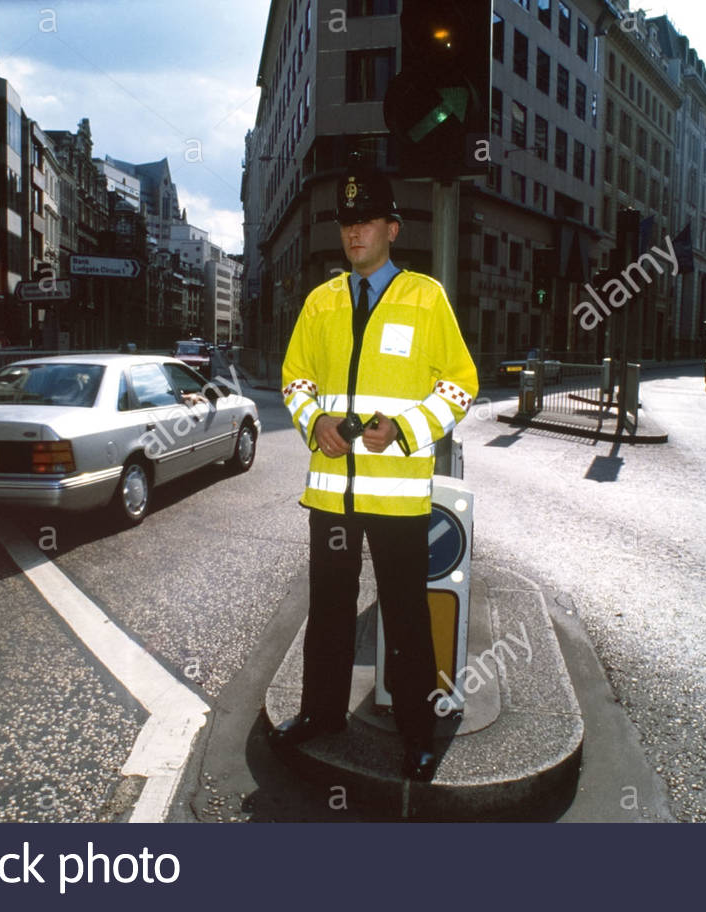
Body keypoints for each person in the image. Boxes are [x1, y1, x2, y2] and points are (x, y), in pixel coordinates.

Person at [272, 164, 478, 781]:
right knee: (330, 609)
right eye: (346, 223)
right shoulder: (322, 301)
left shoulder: (425, 297)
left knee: (407, 616)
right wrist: (315, 422)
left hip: (396, 499)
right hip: (332, 495)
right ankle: (321, 713)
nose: (354, 233)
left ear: (392, 227)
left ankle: (418, 733)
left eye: (366, 222)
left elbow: (460, 386)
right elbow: (296, 378)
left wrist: (407, 428)